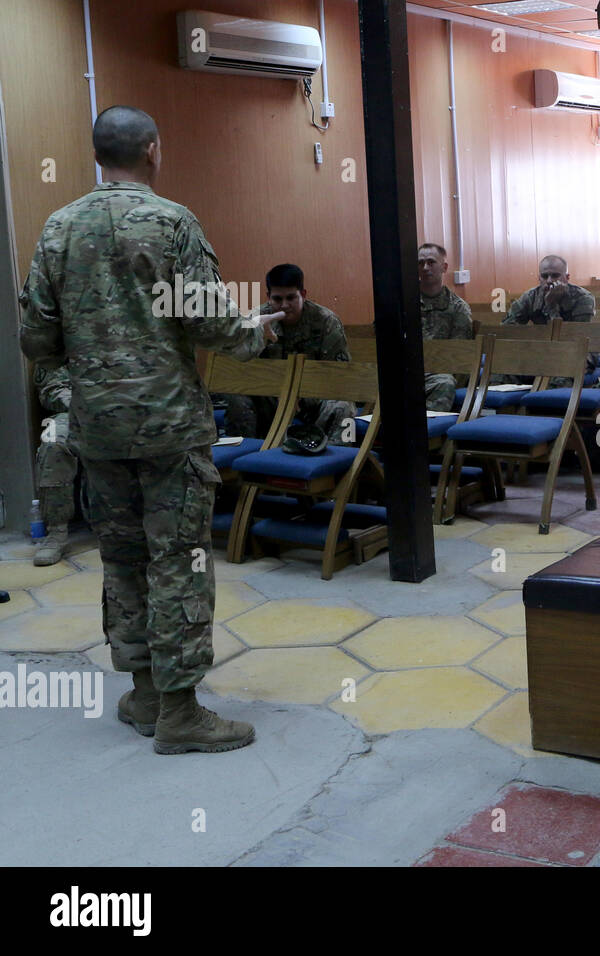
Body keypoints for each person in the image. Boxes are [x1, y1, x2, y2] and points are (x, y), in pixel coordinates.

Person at [19, 105, 277, 755]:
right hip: (168, 427)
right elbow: (212, 324)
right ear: (154, 150)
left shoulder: (58, 227)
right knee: (180, 560)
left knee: (122, 557)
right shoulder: (171, 222)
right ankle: (183, 712)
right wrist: (258, 331)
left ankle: (143, 692)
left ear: (98, 153)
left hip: (97, 429)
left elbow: (36, 337)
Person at [220, 263, 352, 441]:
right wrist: (259, 340)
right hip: (272, 397)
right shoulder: (257, 319)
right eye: (277, 299)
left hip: (316, 397)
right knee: (236, 397)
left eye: (291, 298)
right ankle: (244, 457)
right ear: (268, 297)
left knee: (344, 405)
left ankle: (335, 460)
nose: (284, 305)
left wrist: (302, 393)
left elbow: (340, 376)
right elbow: (240, 371)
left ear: (303, 295)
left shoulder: (326, 322)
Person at [29, 358, 80, 567]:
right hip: (77, 410)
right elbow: (53, 387)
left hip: (136, 408)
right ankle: (56, 531)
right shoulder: (69, 330)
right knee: (53, 441)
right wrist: (83, 407)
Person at [417, 242, 472, 411]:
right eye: (420, 263)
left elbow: (458, 355)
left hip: (438, 373)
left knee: (445, 383)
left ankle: (424, 432)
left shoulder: (457, 307)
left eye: (431, 262)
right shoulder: (402, 302)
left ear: (444, 267)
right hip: (406, 370)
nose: (425, 267)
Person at [504, 255, 595, 326]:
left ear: (567, 278)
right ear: (539, 278)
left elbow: (576, 335)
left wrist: (551, 306)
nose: (549, 281)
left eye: (555, 276)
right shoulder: (530, 296)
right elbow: (507, 327)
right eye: (544, 276)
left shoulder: (583, 297)